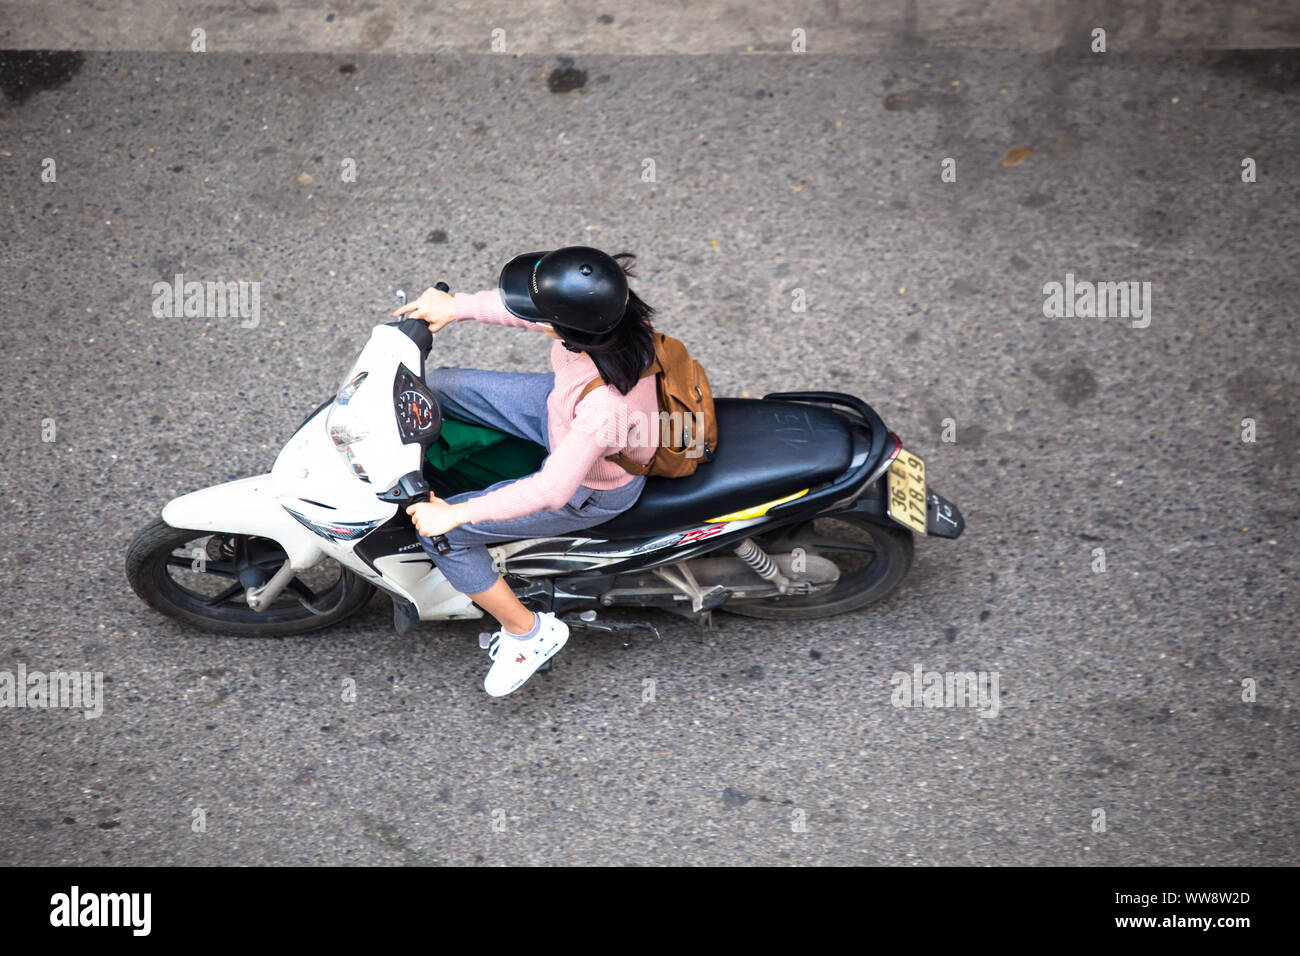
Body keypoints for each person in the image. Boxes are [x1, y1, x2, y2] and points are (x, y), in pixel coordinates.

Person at [393, 247, 661, 697]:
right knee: (439, 387)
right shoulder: (617, 319)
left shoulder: (603, 409)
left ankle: (528, 633)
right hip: (560, 408)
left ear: (564, 328)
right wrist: (458, 307)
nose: (536, 319)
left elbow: (553, 490)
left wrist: (456, 515)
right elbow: (536, 315)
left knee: (444, 537)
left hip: (590, 485)